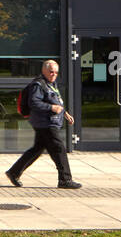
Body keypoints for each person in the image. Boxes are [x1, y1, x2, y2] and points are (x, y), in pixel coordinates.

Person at [6, 59, 81, 188]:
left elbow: (56, 101)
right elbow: (34, 103)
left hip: (49, 122)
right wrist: (51, 108)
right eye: (51, 72)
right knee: (59, 149)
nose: (54, 75)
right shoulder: (38, 85)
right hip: (45, 123)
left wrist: (64, 112)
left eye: (56, 72)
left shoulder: (51, 84)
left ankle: (14, 172)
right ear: (44, 71)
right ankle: (65, 180)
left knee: (37, 149)